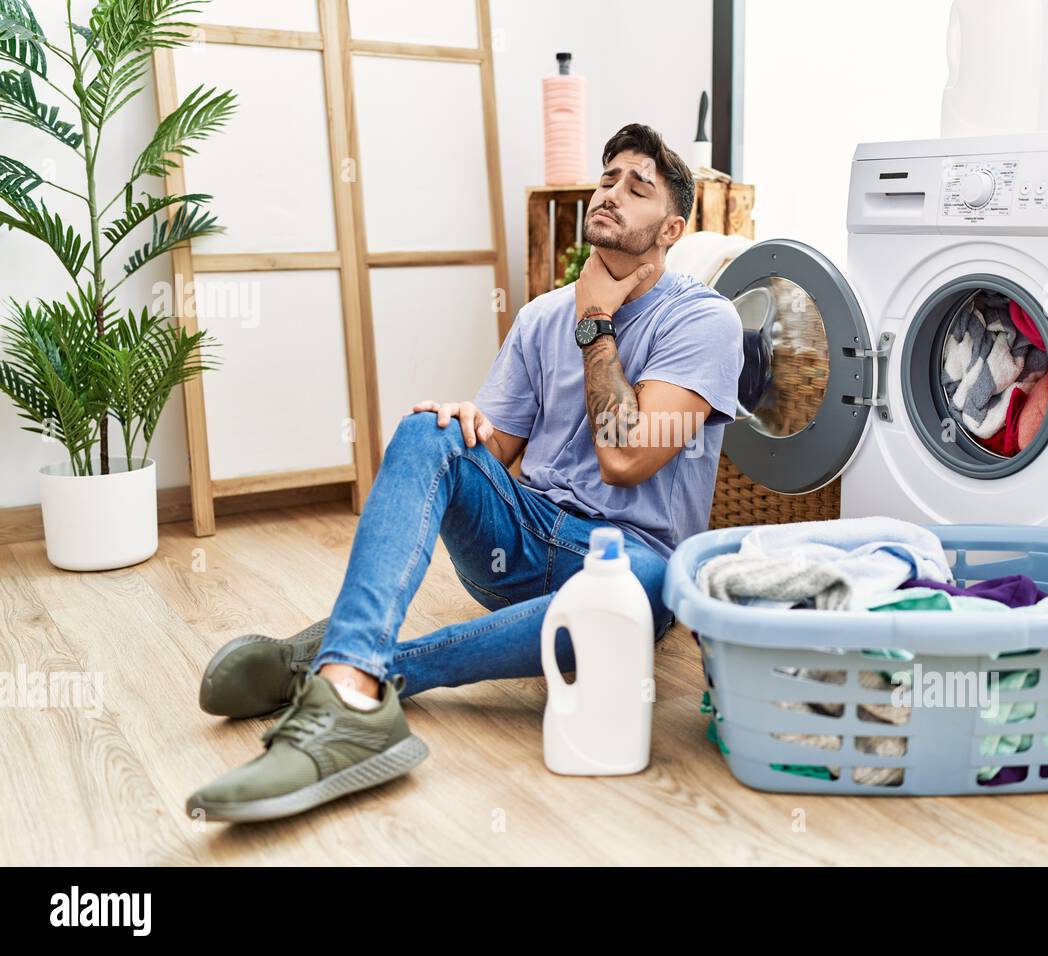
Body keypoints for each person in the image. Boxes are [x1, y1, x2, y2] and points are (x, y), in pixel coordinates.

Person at [186, 123, 744, 822]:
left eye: (638, 188)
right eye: (608, 178)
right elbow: (496, 452)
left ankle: (355, 672)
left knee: (645, 587)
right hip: (521, 541)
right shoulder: (541, 317)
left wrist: (596, 317)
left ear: (670, 230)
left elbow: (625, 456)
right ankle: (354, 669)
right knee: (430, 428)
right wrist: (463, 430)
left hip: (625, 566)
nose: (612, 194)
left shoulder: (704, 320)